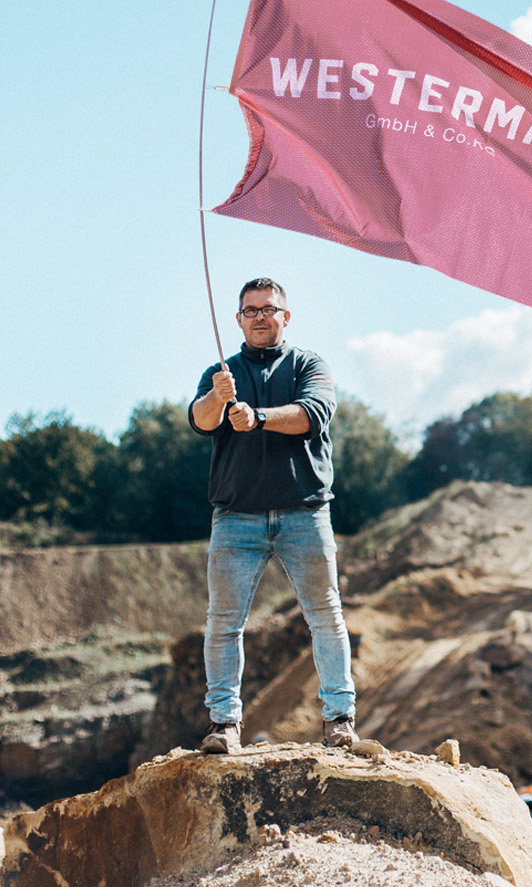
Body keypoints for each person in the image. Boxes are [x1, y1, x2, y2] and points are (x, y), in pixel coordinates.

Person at [188, 277, 357, 754]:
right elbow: (201, 420)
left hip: (305, 512)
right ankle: (224, 726)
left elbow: (313, 412)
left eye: (269, 308)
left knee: (325, 615)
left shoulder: (310, 365)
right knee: (223, 622)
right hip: (235, 517)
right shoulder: (220, 372)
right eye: (250, 309)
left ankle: (339, 720)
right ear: (238, 319)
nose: (260, 315)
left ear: (286, 316)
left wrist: (259, 417)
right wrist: (218, 399)